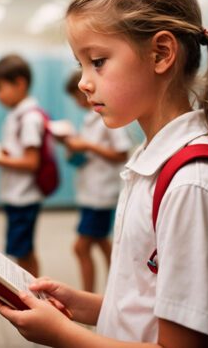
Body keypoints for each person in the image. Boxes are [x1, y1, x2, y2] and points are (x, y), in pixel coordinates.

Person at [0, 0, 208, 347]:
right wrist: (79, 305)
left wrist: (64, 336)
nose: (84, 82)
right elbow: (148, 307)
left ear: (161, 53)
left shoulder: (191, 186)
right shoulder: (155, 162)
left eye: (97, 61)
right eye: (81, 64)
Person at [57, 71, 132, 293]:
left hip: (102, 194)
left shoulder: (108, 118)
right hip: (90, 191)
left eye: (78, 96)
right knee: (102, 243)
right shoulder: (91, 120)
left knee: (81, 248)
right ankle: (116, 291)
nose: (78, 101)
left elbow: (121, 154)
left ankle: (88, 295)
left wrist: (87, 146)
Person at [0, 54, 46, 276]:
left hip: (23, 197)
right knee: (23, 250)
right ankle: (33, 293)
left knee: (23, 251)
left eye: (0, 88)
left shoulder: (29, 119)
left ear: (20, 83)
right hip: (16, 194)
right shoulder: (17, 116)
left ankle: (33, 294)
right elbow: (16, 153)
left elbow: (31, 162)